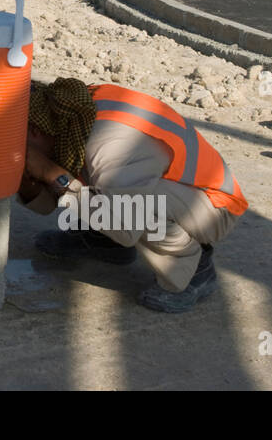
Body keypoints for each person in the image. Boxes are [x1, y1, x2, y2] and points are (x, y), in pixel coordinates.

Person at [19, 77, 248, 313]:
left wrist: (49, 172)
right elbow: (50, 200)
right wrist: (26, 178)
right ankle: (106, 242)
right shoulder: (69, 115)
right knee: (89, 185)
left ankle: (193, 270)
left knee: (130, 206)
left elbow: (125, 225)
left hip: (213, 206)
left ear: (35, 131)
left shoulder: (111, 142)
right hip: (153, 183)